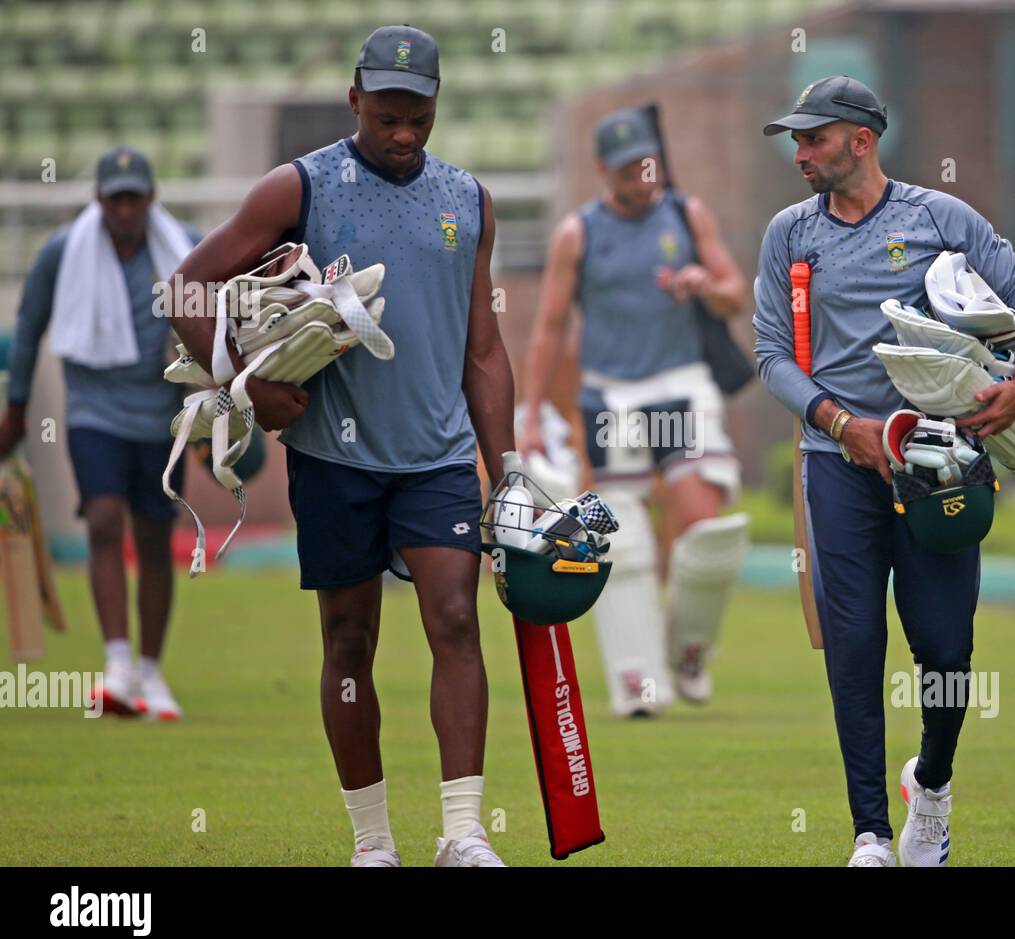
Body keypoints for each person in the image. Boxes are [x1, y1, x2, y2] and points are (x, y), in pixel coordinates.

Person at [165, 26, 514, 867]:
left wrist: (510, 476)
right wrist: (245, 379)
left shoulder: (468, 198)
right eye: (388, 116)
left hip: (436, 456)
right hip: (335, 457)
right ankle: (372, 844)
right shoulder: (300, 186)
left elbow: (483, 350)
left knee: (458, 621)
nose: (403, 134)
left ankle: (463, 836)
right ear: (354, 99)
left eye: (419, 118)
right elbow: (182, 285)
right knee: (349, 642)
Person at [753, 76, 1015, 866]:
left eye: (813, 138)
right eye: (796, 139)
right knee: (854, 647)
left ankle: (934, 786)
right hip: (838, 464)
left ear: (861, 140)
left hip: (944, 466)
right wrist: (839, 423)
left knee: (948, 652)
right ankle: (871, 833)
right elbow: (770, 355)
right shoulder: (788, 233)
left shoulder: (940, 217)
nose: (799, 153)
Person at [518, 107, 751, 716]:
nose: (641, 177)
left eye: (646, 163)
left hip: (679, 385)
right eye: (627, 169)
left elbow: (735, 292)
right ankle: (639, 680)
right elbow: (549, 327)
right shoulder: (578, 233)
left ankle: (691, 650)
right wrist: (531, 409)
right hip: (611, 395)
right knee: (625, 542)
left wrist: (703, 282)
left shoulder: (685, 212)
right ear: (603, 171)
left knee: (705, 534)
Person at [0, 147, 199, 720]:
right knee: (106, 520)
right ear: (99, 201)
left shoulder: (184, 245)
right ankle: (118, 664)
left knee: (156, 537)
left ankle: (153, 672)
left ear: (150, 198)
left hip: (163, 414)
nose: (126, 209)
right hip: (93, 411)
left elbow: (215, 323)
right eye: (116, 198)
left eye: (135, 197)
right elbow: (30, 326)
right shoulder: (64, 252)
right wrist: (15, 410)